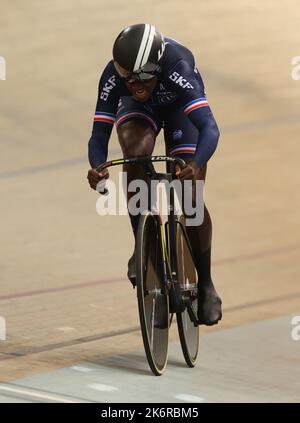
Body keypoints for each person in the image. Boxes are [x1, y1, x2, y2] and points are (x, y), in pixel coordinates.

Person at [87, 24, 222, 325]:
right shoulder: (115, 77)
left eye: (140, 77)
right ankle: (144, 246)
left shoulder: (178, 67)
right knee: (134, 152)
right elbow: (98, 136)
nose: (133, 83)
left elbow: (209, 129)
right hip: (141, 110)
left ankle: (207, 284)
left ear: (155, 65)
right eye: (127, 77)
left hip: (178, 109)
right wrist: (98, 166)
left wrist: (196, 164)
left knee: (190, 198)